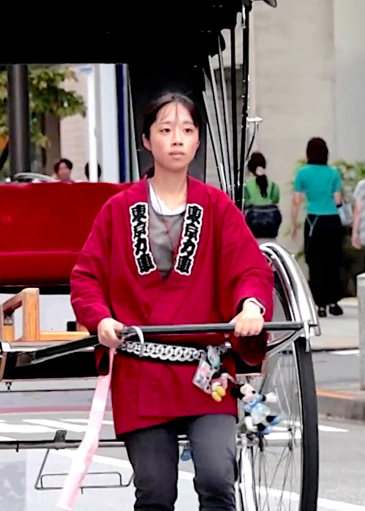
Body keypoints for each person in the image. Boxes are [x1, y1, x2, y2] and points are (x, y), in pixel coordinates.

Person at [70, 92, 273, 511]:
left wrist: (251, 305)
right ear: (147, 140)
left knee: (218, 479)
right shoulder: (117, 210)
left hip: (210, 372)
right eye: (165, 130)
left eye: (187, 130)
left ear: (198, 140)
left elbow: (250, 269)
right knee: (156, 491)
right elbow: (86, 277)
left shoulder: (218, 207)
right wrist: (101, 319)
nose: (177, 139)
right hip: (141, 371)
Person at [290, 137, 345, 317]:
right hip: (333, 220)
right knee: (333, 261)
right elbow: (338, 200)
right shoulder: (334, 173)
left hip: (314, 221)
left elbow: (296, 201)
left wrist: (293, 226)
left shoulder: (302, 173)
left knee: (315, 263)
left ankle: (320, 305)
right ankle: (334, 302)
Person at [242, 152, 282, 244]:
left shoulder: (246, 186)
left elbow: (244, 204)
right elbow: (276, 200)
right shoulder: (273, 186)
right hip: (271, 234)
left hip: (253, 233)